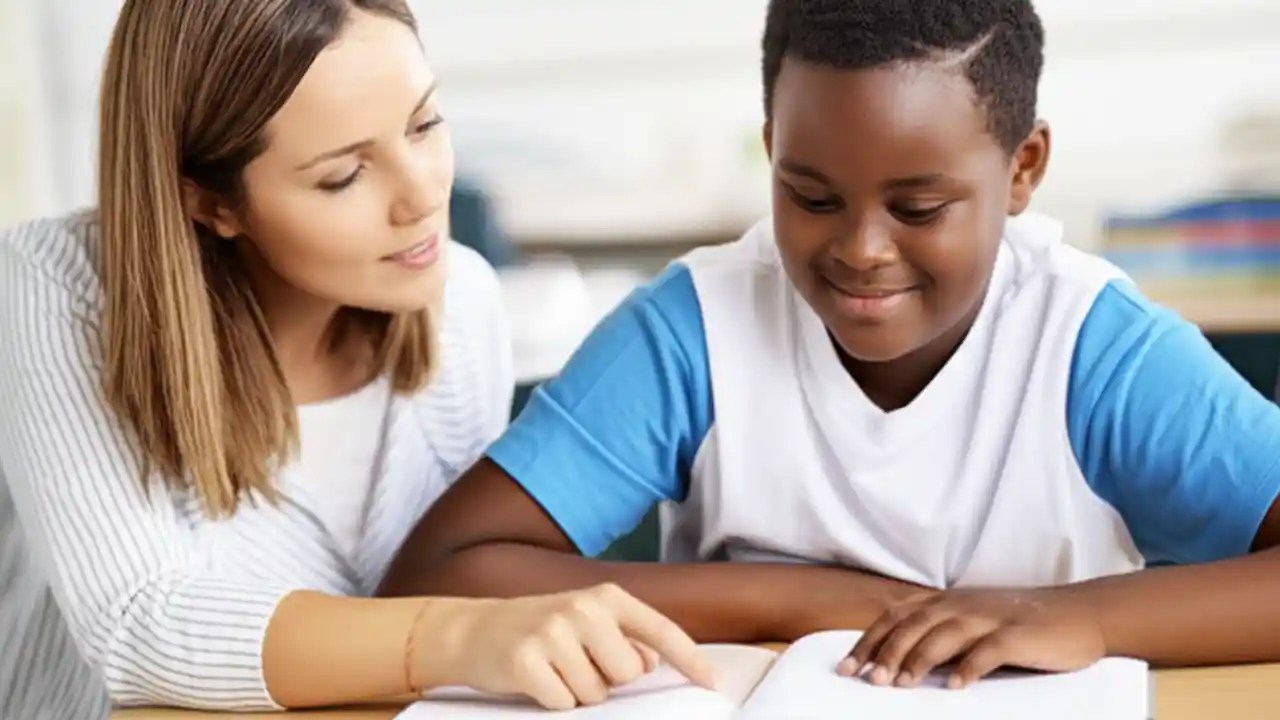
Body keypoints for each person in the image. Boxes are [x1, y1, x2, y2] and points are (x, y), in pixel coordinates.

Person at [379, 0, 1280, 695]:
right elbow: (436, 576)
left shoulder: (1090, 345)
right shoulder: (694, 329)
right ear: (772, 150)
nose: (862, 248)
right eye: (810, 197)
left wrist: (1074, 618)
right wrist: (803, 598)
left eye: (919, 209)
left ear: (1022, 171)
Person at [0, 1, 714, 717]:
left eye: (425, 125)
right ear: (210, 203)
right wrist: (460, 630)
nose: (423, 194)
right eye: (343, 176)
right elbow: (138, 625)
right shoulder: (56, 284)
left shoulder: (461, 300)